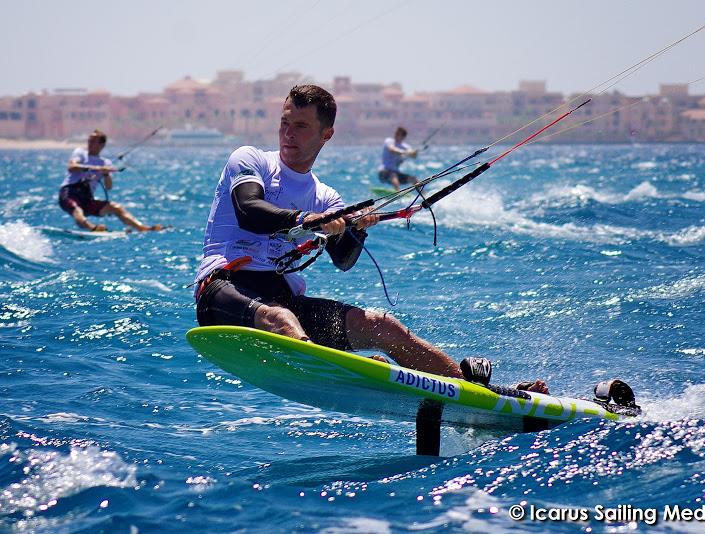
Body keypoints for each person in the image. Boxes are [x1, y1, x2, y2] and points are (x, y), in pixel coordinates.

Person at [193, 85, 548, 394]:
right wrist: (307, 220)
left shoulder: (325, 198)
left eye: (300, 126)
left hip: (282, 296)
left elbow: (343, 261)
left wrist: (355, 229)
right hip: (224, 291)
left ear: (326, 134)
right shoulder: (250, 159)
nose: (288, 133)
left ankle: (470, 386)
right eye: (285, 123)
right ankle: (337, 371)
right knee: (281, 319)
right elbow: (248, 209)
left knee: (382, 326)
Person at [58, 130, 162, 232]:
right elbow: (71, 167)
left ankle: (141, 228)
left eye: (93, 141)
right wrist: (96, 168)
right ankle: (92, 228)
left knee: (116, 208)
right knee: (77, 210)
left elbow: (108, 187)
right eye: (89, 141)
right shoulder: (80, 153)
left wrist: (106, 174)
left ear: (101, 145)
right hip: (69, 193)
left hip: (87, 198)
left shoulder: (106, 163)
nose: (89, 144)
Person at [378, 126, 419, 191]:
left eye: (398, 134)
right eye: (396, 133)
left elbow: (414, 156)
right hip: (384, 172)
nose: (395, 135)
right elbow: (392, 150)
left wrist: (414, 153)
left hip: (396, 173)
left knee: (414, 179)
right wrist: (405, 152)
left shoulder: (406, 147)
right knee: (393, 175)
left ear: (403, 137)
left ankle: (424, 195)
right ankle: (398, 193)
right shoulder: (389, 141)